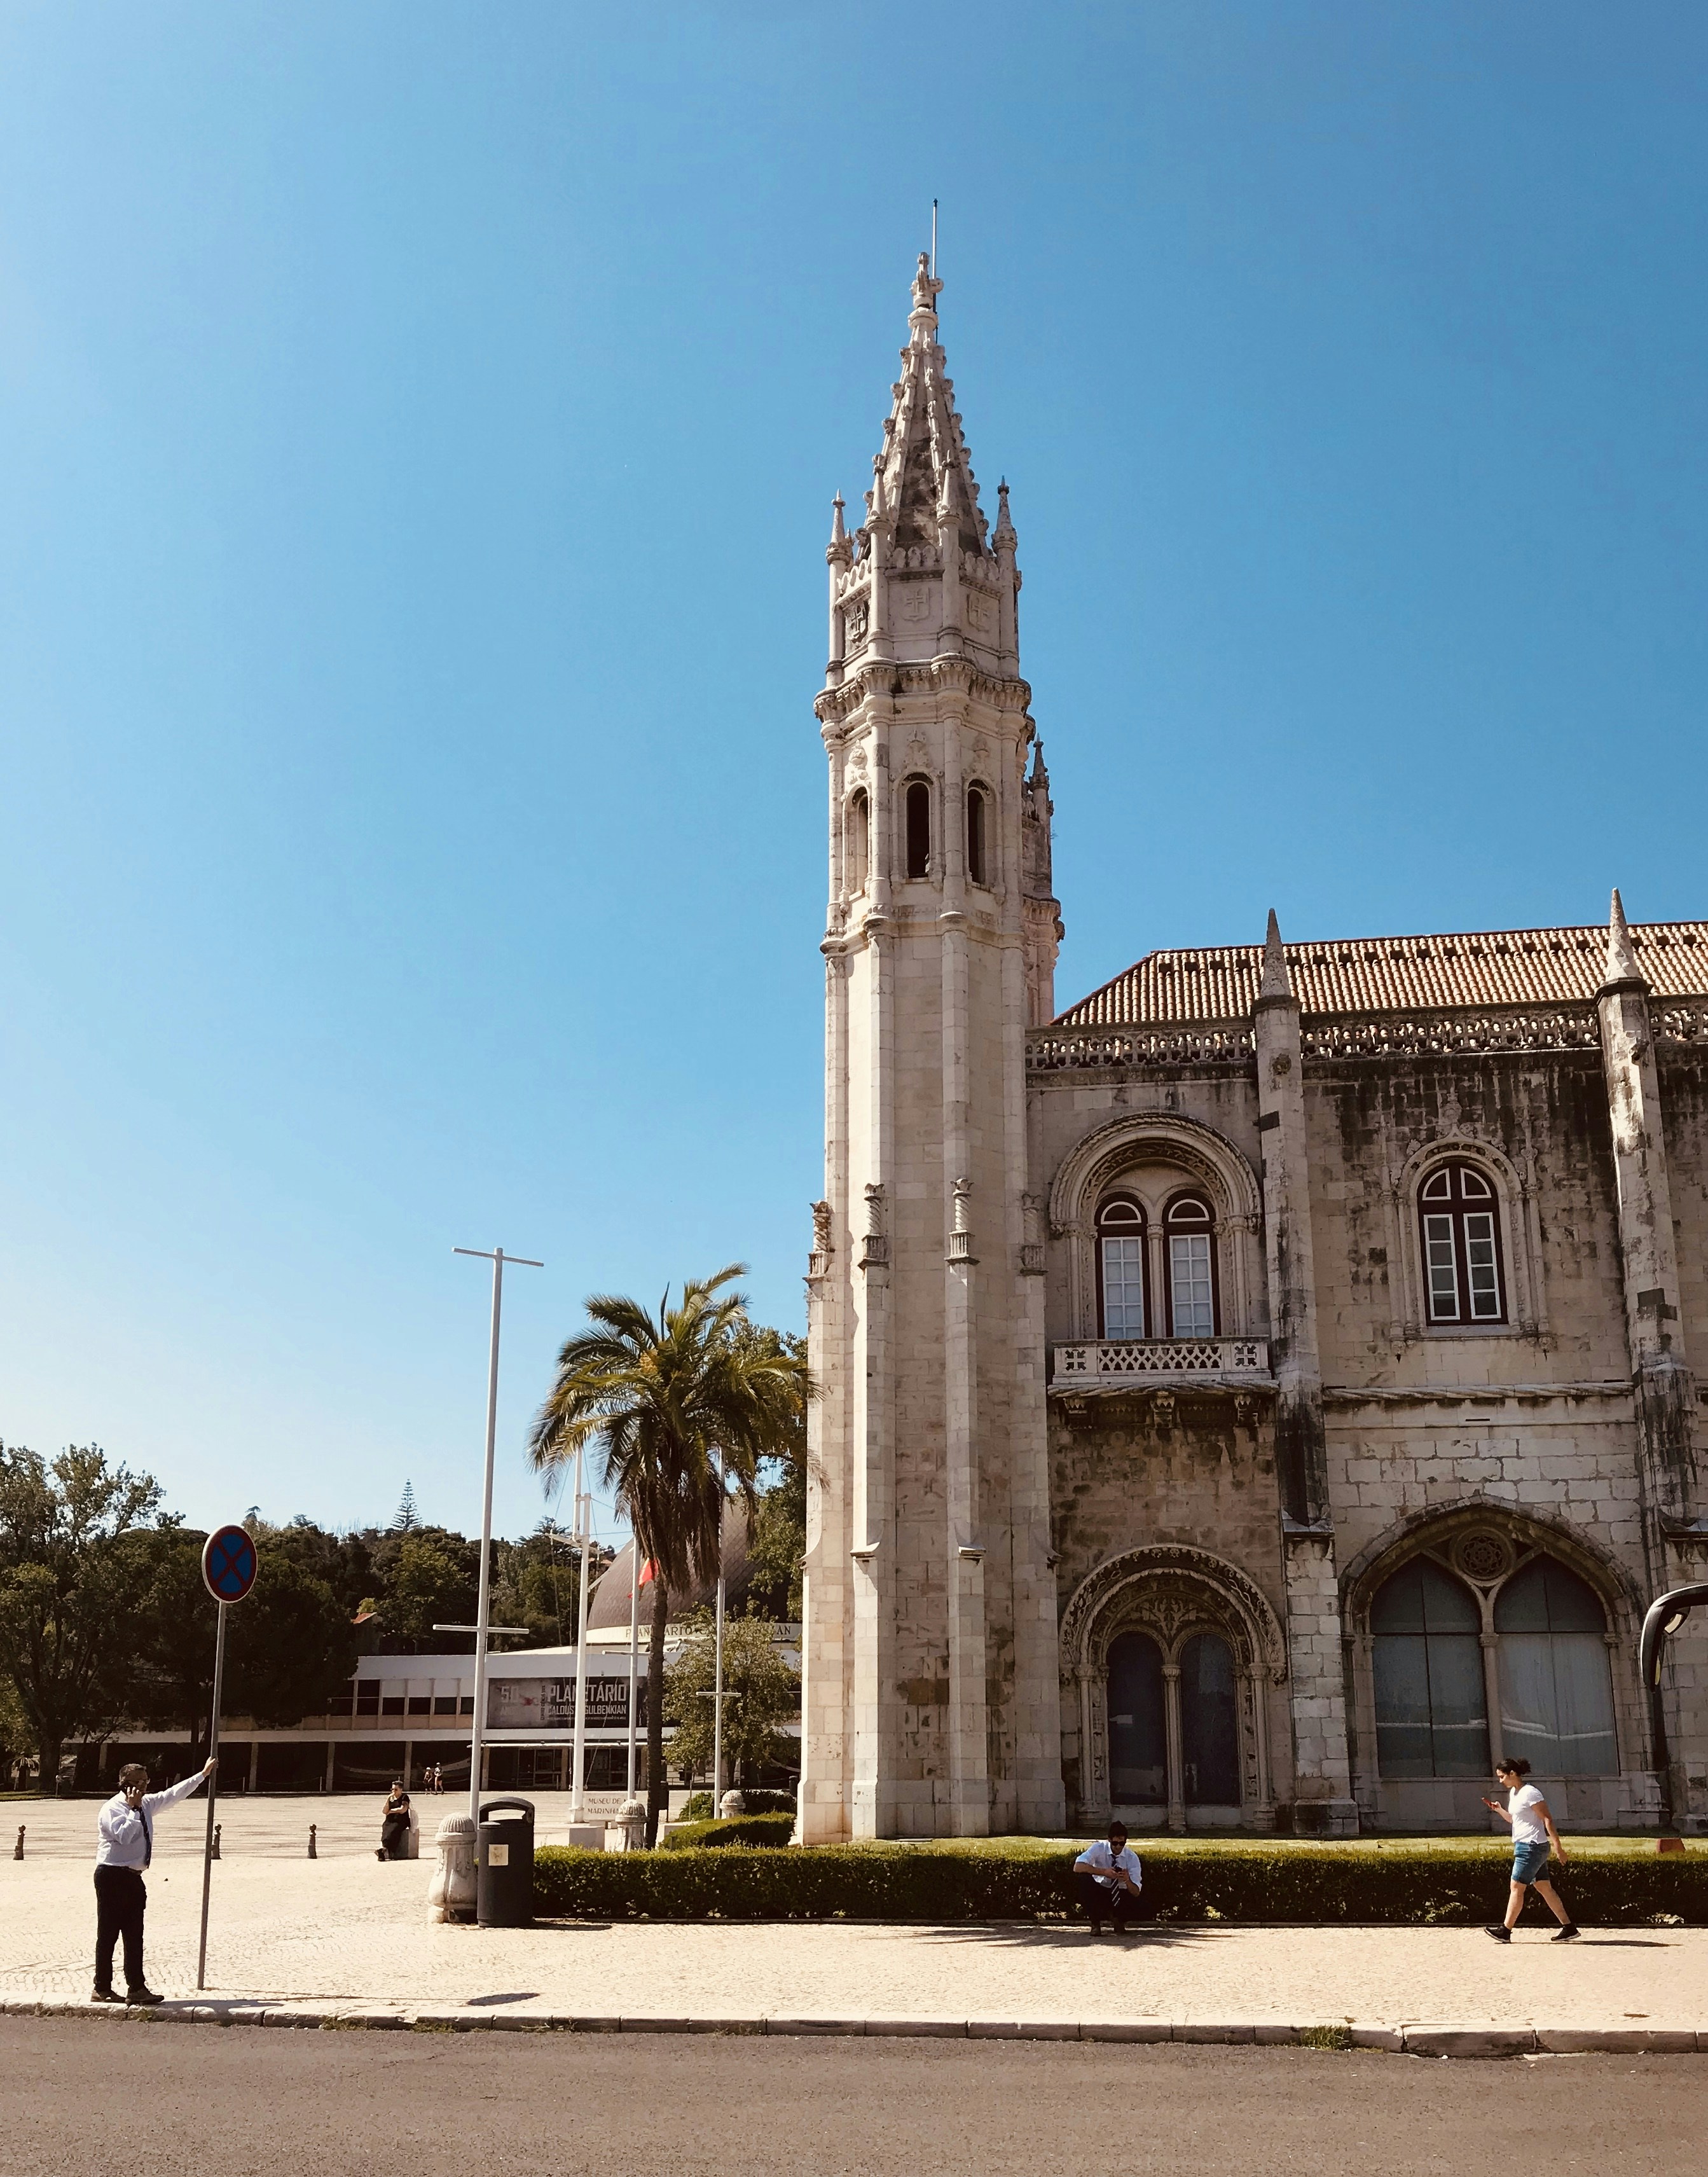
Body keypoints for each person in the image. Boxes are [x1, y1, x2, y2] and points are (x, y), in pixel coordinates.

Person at [92, 1755, 217, 2005]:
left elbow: (173, 1794)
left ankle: (136, 1988)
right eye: (137, 1782)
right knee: (108, 1935)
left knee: (134, 1934)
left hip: (134, 1877)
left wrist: (202, 1775)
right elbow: (125, 1837)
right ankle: (102, 1988)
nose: (142, 1787)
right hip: (112, 1874)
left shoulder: (147, 1804)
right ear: (124, 1783)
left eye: (146, 1782)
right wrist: (133, 1810)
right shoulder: (113, 1809)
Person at [1483, 1757, 1580, 1942]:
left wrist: (1559, 1848)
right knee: (1544, 1888)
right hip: (1528, 1845)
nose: (1500, 1781)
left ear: (1513, 1774)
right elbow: (1515, 1820)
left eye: (1502, 1777)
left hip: (1531, 1847)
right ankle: (1569, 1927)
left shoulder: (1531, 1793)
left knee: (1516, 1887)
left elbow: (1547, 1819)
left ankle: (1505, 1930)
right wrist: (1499, 1810)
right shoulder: (1514, 1793)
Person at [1074, 1820, 1143, 1935]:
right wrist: (1104, 1872)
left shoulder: (1131, 1857)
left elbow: (1136, 1892)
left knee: (1139, 1903)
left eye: (1122, 1844)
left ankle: (1119, 1919)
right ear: (1109, 1840)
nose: (1118, 1847)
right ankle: (1095, 1923)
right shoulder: (1099, 1848)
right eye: (1115, 1843)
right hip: (1101, 1888)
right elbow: (1078, 1867)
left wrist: (1127, 1880)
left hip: (1120, 1892)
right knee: (1084, 1880)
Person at [378, 1780, 411, 1861]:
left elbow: (403, 1809)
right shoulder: (391, 1798)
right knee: (386, 1828)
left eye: (396, 1789)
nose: (394, 1791)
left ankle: (384, 1850)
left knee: (393, 1830)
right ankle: (383, 1849)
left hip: (401, 1820)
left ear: (401, 1790)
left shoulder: (404, 1797)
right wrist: (388, 1799)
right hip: (390, 1820)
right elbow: (384, 1811)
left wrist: (392, 1811)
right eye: (392, 1789)